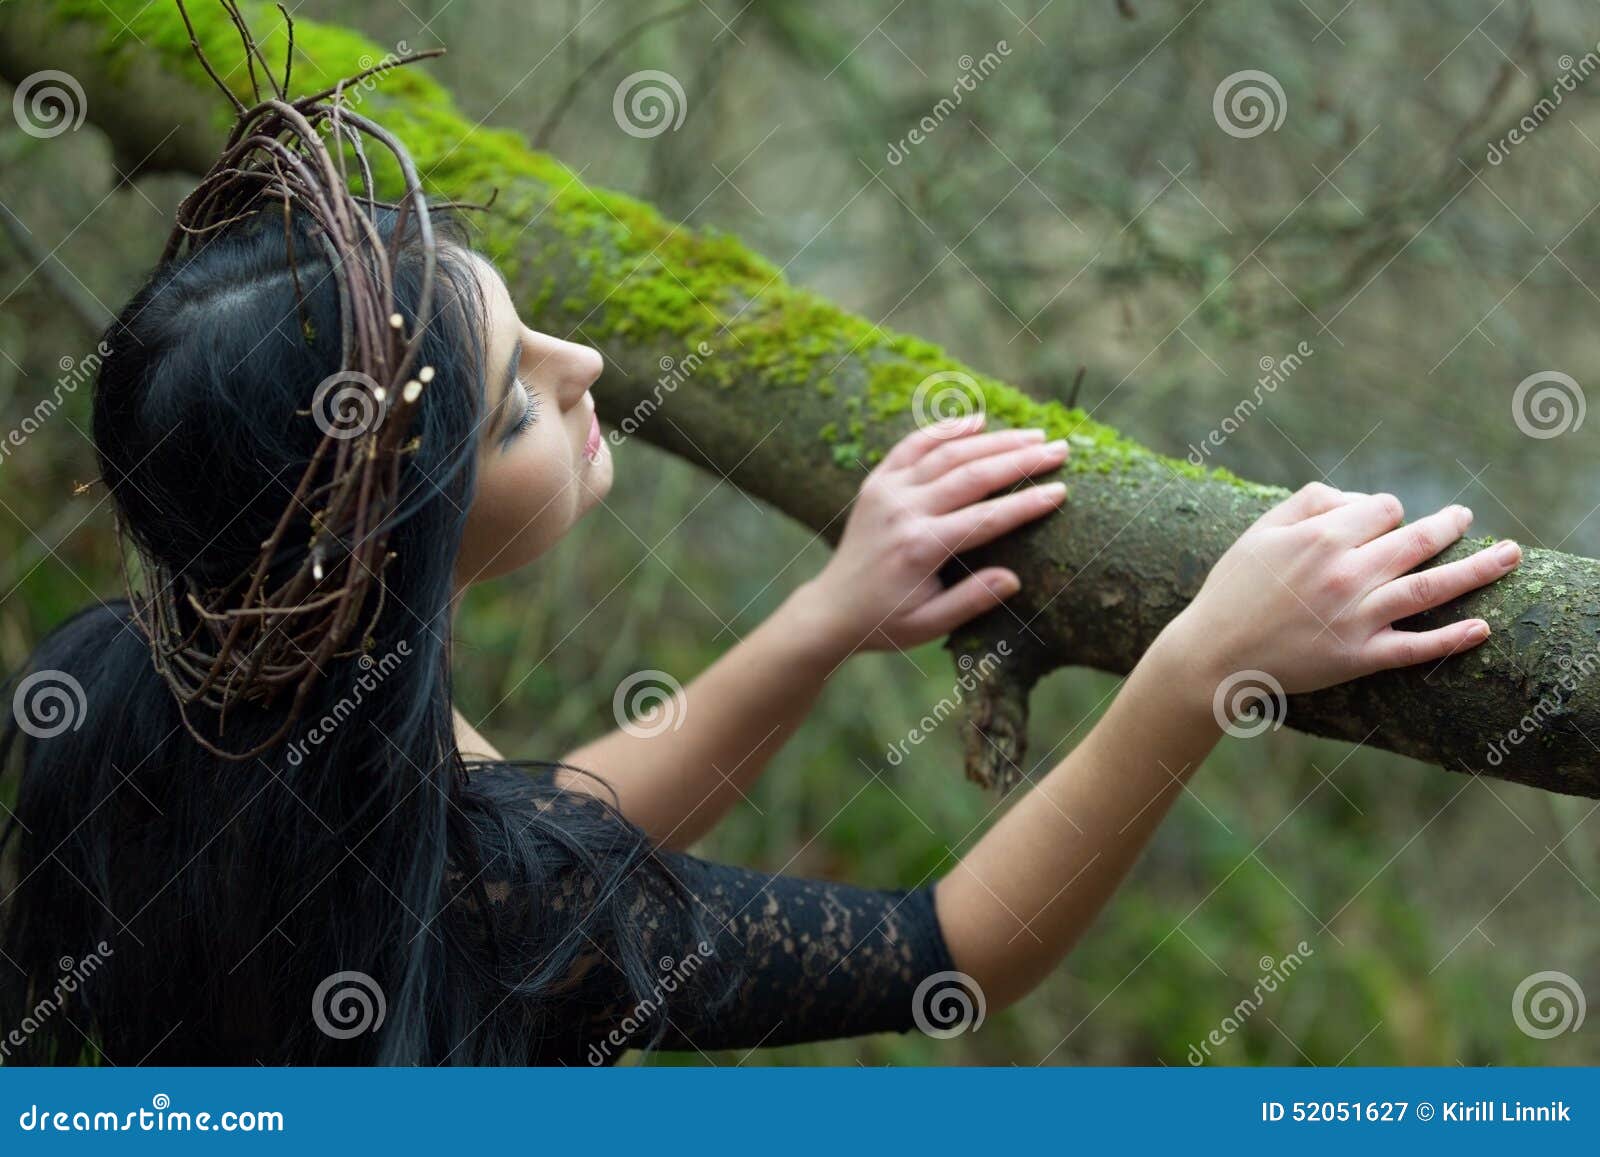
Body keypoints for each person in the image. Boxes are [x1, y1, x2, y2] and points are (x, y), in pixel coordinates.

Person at [0, 51, 1522, 1065]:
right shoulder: (505, 930)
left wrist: (819, 622)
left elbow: (518, 829)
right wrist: (1206, 666)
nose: (588, 359)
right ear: (386, 539)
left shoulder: (155, 666)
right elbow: (951, 949)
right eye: (521, 401)